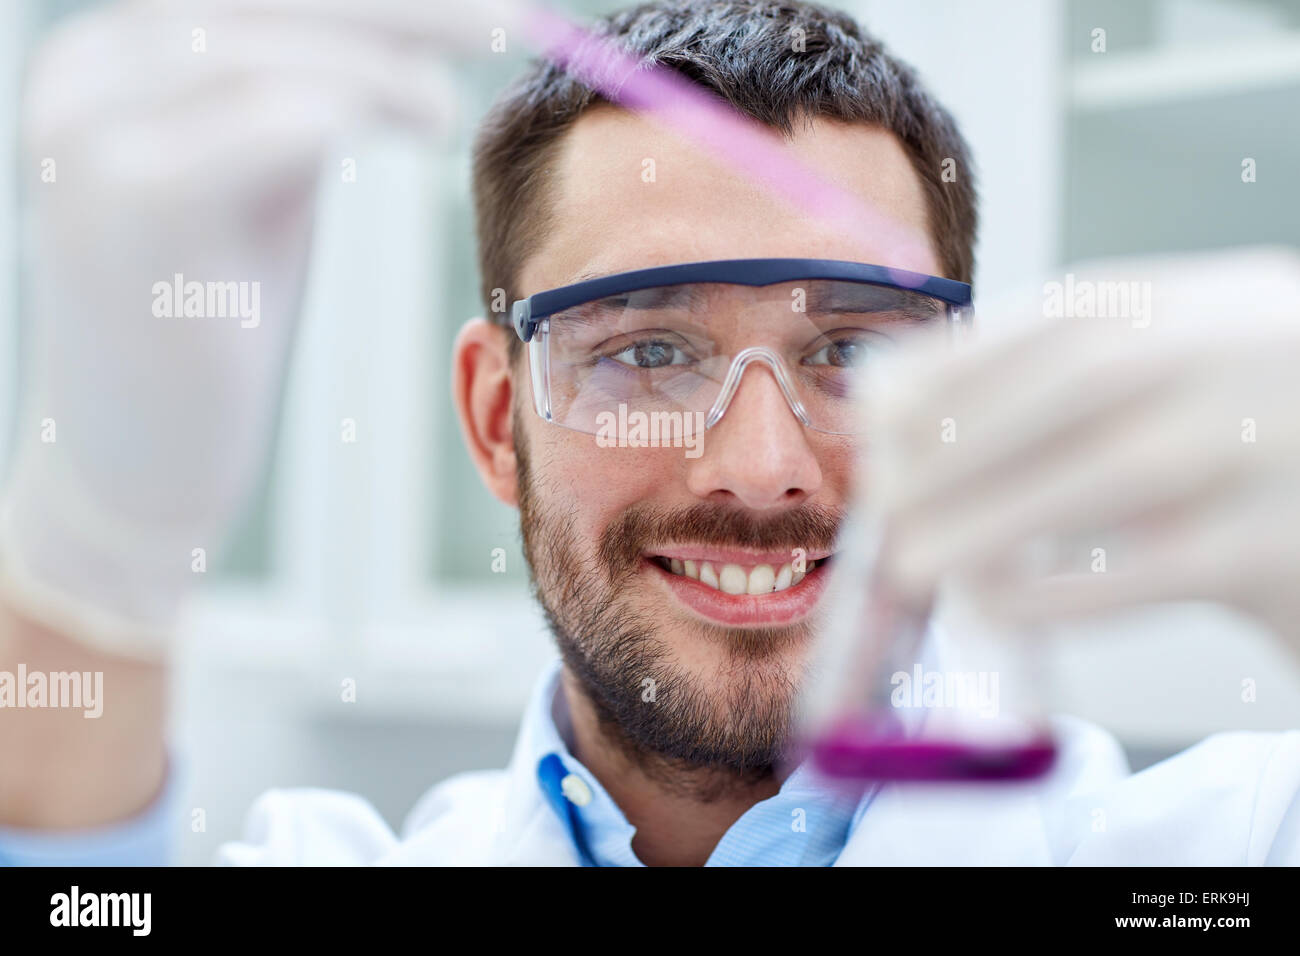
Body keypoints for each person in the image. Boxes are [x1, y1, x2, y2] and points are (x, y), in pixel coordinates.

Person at [1, 0, 1298, 867]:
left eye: (847, 350)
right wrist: (95, 561)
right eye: (649, 352)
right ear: (498, 420)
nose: (759, 469)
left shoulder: (1204, 859)